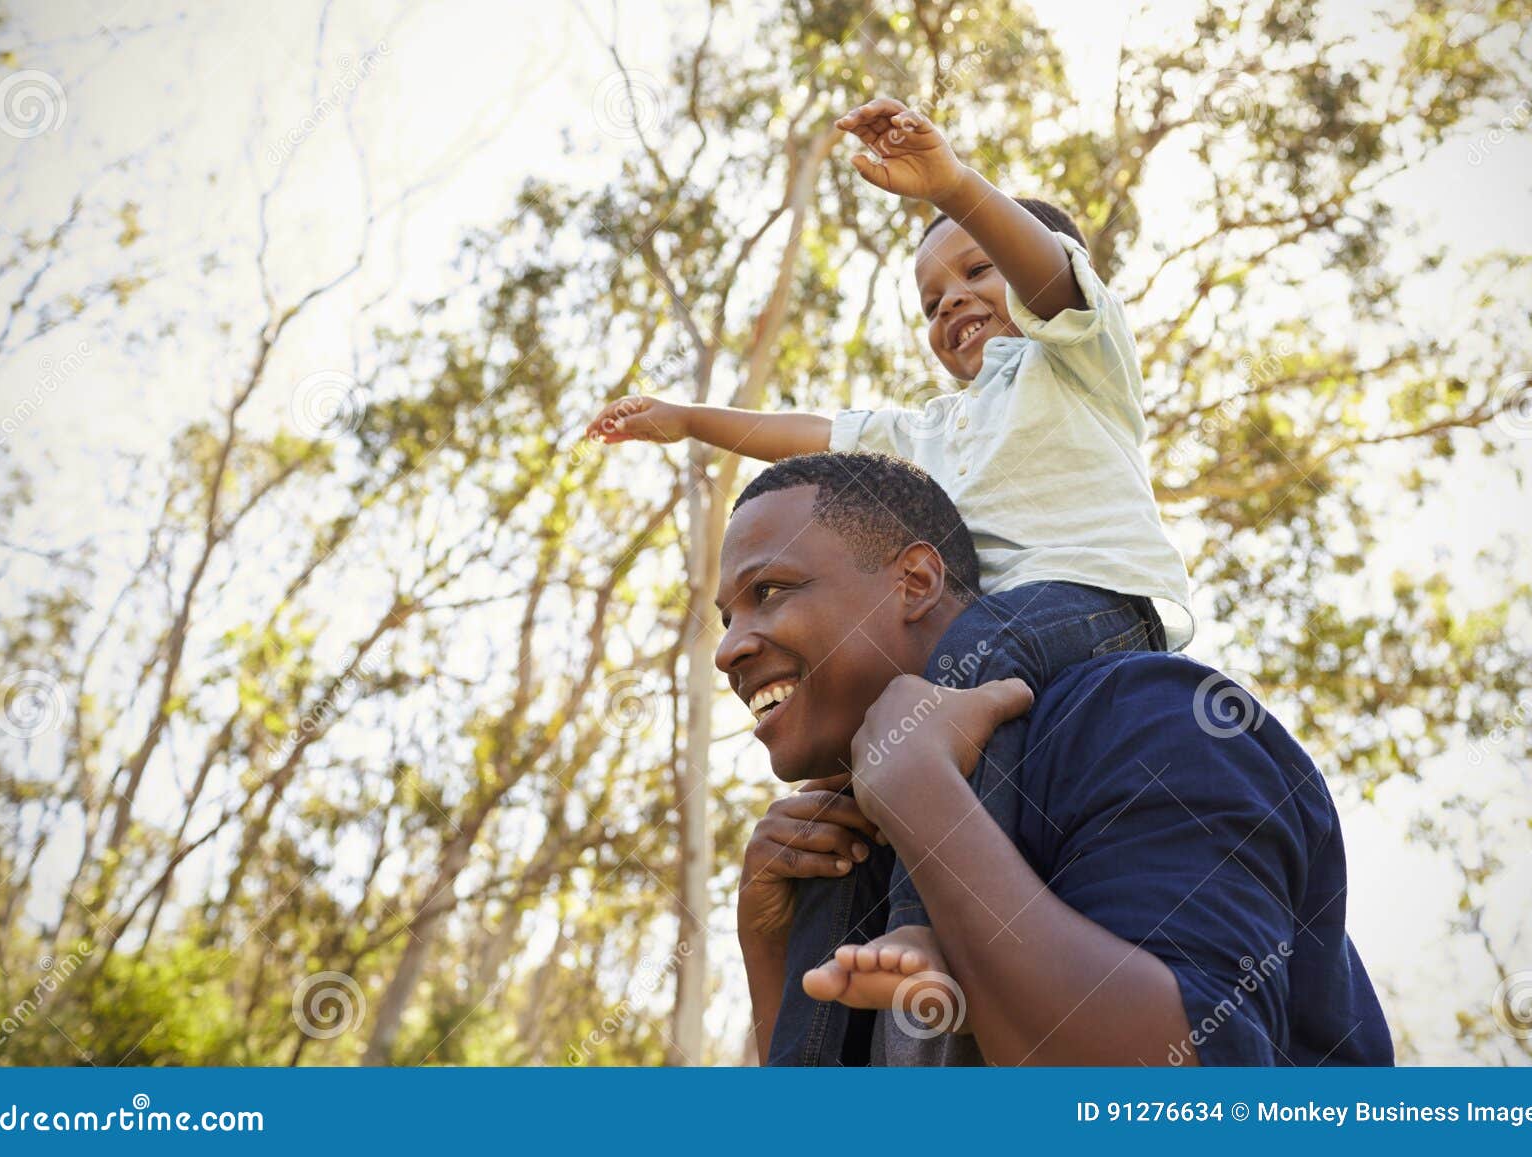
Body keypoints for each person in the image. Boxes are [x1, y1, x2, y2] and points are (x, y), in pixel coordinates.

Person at [586, 97, 1193, 1013]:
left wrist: (950, 184)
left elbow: (1048, 272)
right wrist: (687, 420)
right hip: (998, 645)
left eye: (979, 268)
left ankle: (923, 923)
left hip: (1102, 607)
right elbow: (804, 434)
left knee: (932, 692)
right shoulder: (928, 429)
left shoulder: (1078, 360)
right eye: (931, 299)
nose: (953, 299)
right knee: (891, 744)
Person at [719, 451, 1392, 1066]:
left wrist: (922, 791)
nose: (728, 650)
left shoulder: (1145, 719)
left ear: (917, 580)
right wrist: (771, 952)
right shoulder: (861, 855)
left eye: (770, 591)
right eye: (726, 619)